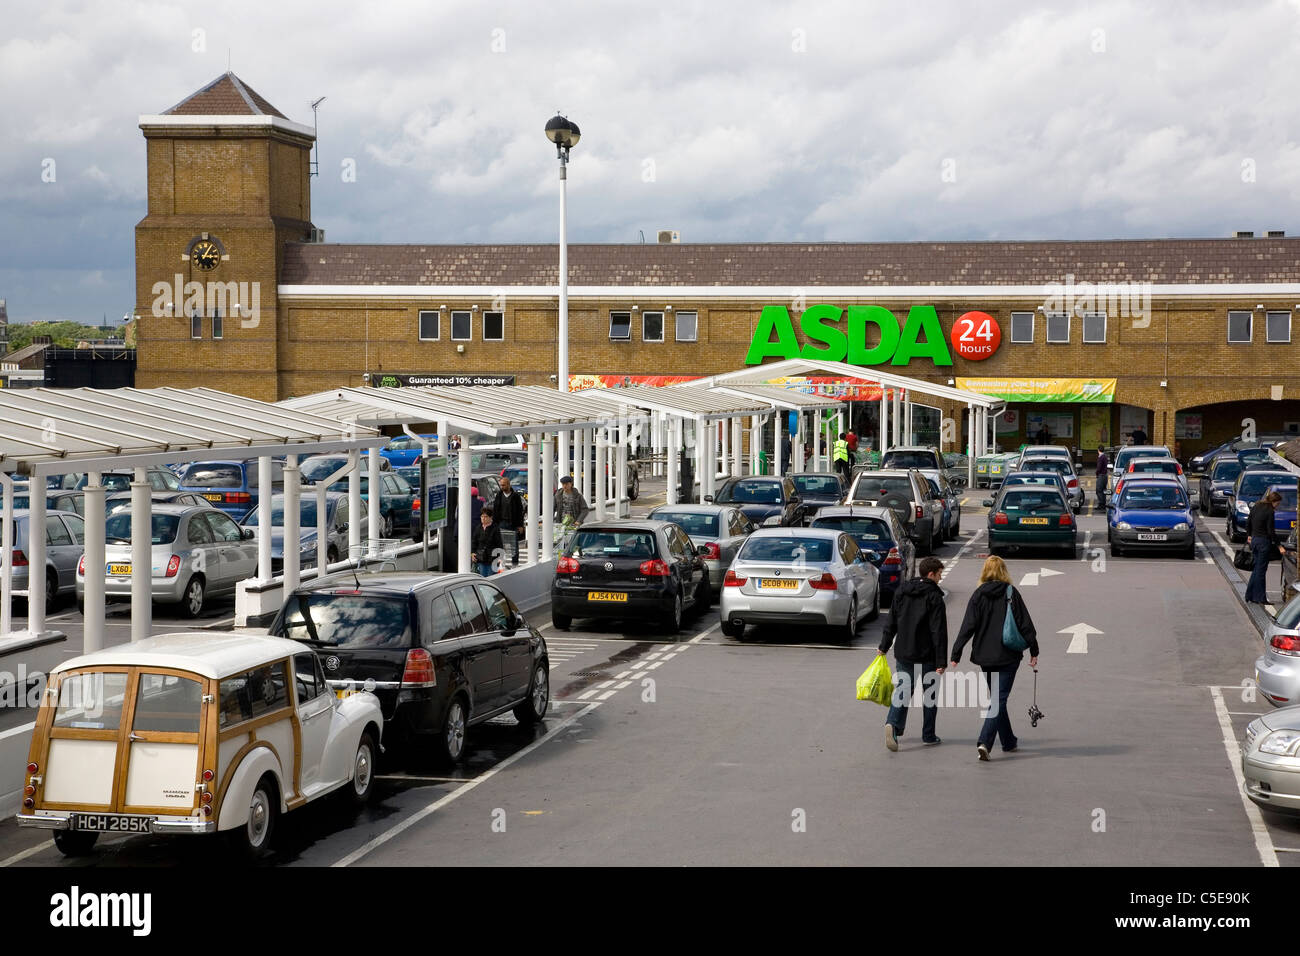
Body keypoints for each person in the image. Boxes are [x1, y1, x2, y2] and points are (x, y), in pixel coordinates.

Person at [949, 555, 1039, 760]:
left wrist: (956, 652)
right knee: (999, 699)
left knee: (998, 699)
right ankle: (985, 742)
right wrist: (1034, 650)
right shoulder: (1011, 592)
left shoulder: (978, 595)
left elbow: (968, 625)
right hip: (1008, 654)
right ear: (1004, 571)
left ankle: (1008, 741)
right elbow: (1025, 624)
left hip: (985, 655)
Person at [878, 556, 948, 750]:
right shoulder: (934, 596)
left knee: (902, 691)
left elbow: (891, 620)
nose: (940, 578)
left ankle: (893, 724)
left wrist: (884, 645)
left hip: (904, 651)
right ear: (931, 574)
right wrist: (941, 660)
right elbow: (938, 631)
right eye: (940, 574)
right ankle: (928, 735)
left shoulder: (902, 591)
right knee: (930, 696)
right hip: (927, 655)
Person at [1246, 490, 1283, 603]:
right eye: (1278, 503)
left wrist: (1249, 535)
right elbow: (1271, 531)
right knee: (1261, 571)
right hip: (1263, 542)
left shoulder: (1257, 506)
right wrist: (1279, 545)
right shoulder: (1269, 511)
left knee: (1256, 569)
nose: (1278, 506)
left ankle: (1250, 595)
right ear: (1274, 501)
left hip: (1255, 540)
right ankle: (1260, 598)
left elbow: (1249, 521)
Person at [495, 475, 526, 566]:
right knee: (500, 544)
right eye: (501, 485)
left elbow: (520, 511)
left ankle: (515, 563)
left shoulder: (515, 496)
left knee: (514, 545)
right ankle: (500, 563)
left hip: (513, 524)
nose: (502, 487)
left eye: (504, 485)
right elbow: (496, 509)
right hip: (502, 523)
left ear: (509, 485)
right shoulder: (499, 495)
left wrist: (520, 525)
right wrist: (496, 523)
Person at [471, 507, 503, 577]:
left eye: (485, 516)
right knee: (483, 578)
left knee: (491, 578)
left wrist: (500, 558)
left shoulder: (495, 528)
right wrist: (473, 552)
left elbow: (499, 544)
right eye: (482, 516)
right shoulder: (478, 528)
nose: (483, 518)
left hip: (493, 559)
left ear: (490, 517)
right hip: (481, 558)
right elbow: (474, 541)